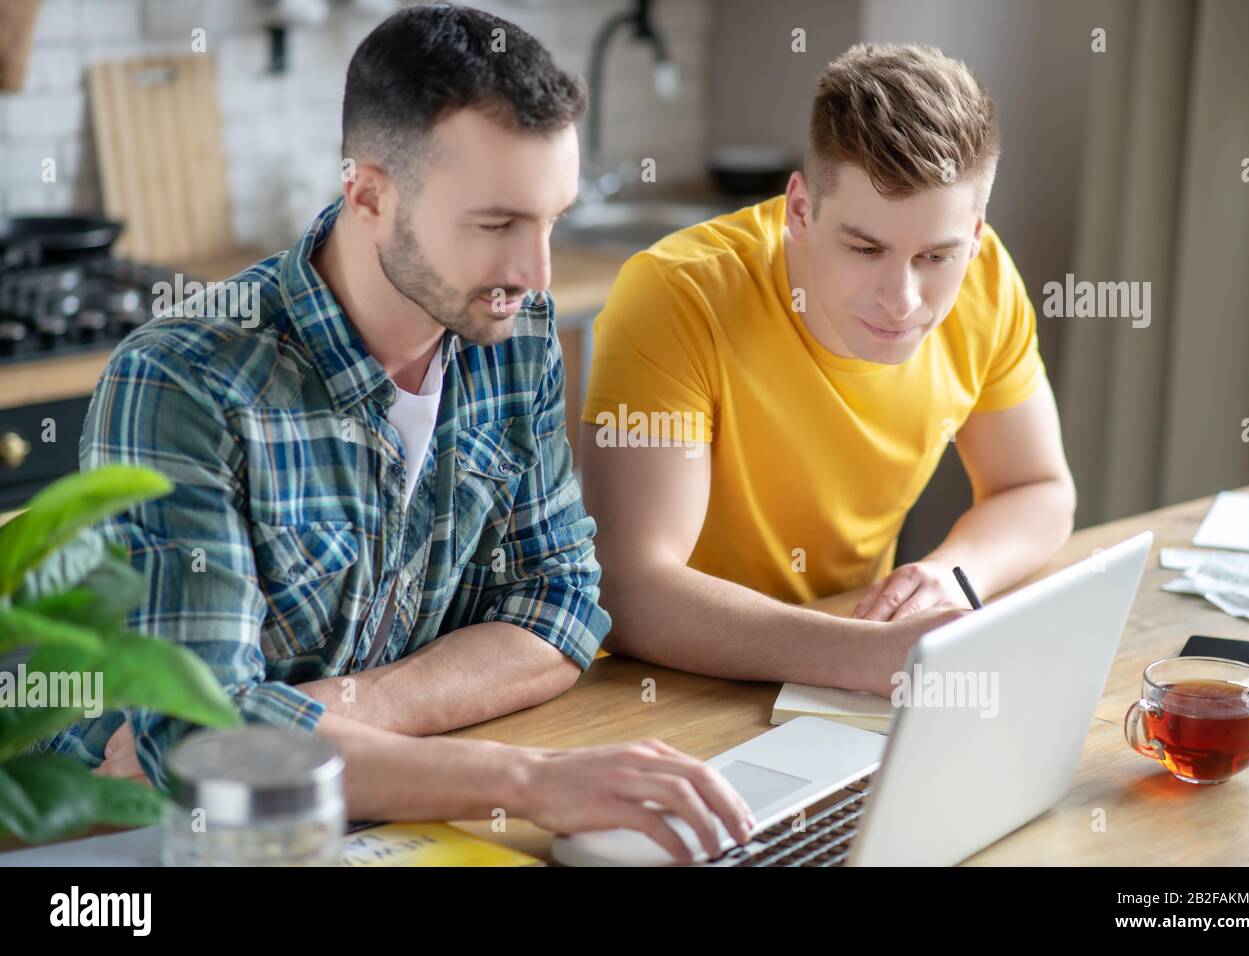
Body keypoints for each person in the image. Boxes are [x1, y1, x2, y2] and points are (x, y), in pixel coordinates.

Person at [48, 4, 751, 863]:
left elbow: (562, 606)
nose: (536, 275)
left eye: (552, 219)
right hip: (135, 839)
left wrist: (338, 711)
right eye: (497, 225)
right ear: (369, 193)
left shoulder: (513, 333)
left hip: (388, 821)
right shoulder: (183, 381)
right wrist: (528, 783)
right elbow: (204, 746)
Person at [580, 43, 1076, 697]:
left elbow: (1037, 488)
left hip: (847, 679)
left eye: (936, 257)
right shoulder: (677, 295)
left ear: (976, 235)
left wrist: (951, 575)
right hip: (669, 689)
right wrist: (856, 655)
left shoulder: (987, 281)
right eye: (866, 248)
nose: (902, 299)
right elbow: (628, 587)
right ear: (801, 209)